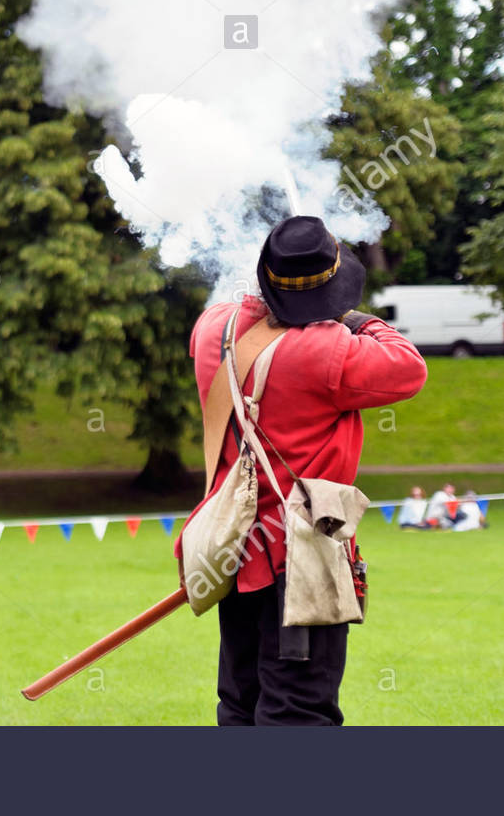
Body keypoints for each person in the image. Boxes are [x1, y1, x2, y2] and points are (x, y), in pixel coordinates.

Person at [174, 216, 427, 726]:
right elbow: (408, 366)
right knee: (300, 714)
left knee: (240, 709)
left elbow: (247, 311)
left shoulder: (212, 329)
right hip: (302, 560)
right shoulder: (329, 347)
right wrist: (351, 317)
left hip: (235, 557)